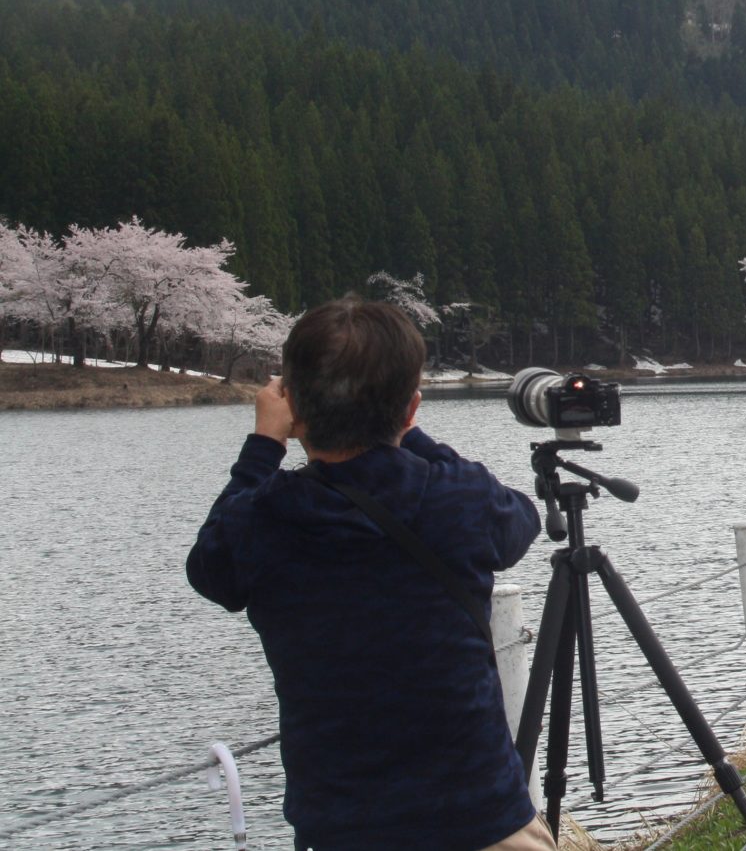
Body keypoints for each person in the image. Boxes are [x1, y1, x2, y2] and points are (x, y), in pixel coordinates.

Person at [185, 299, 550, 851]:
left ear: (294, 412)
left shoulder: (262, 519)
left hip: (343, 827)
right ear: (410, 409)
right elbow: (521, 520)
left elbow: (209, 569)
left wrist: (263, 446)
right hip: (482, 819)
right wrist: (409, 434)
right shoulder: (456, 498)